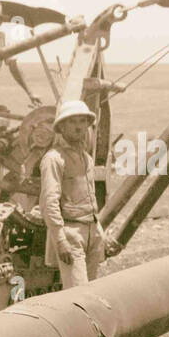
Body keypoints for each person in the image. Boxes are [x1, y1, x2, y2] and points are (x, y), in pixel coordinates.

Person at [40, 100, 114, 288]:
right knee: (77, 295)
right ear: (62, 126)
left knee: (90, 291)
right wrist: (60, 239)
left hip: (91, 231)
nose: (79, 126)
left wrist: (99, 233)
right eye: (73, 121)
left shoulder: (86, 159)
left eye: (82, 121)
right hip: (71, 233)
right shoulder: (54, 159)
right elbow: (49, 202)